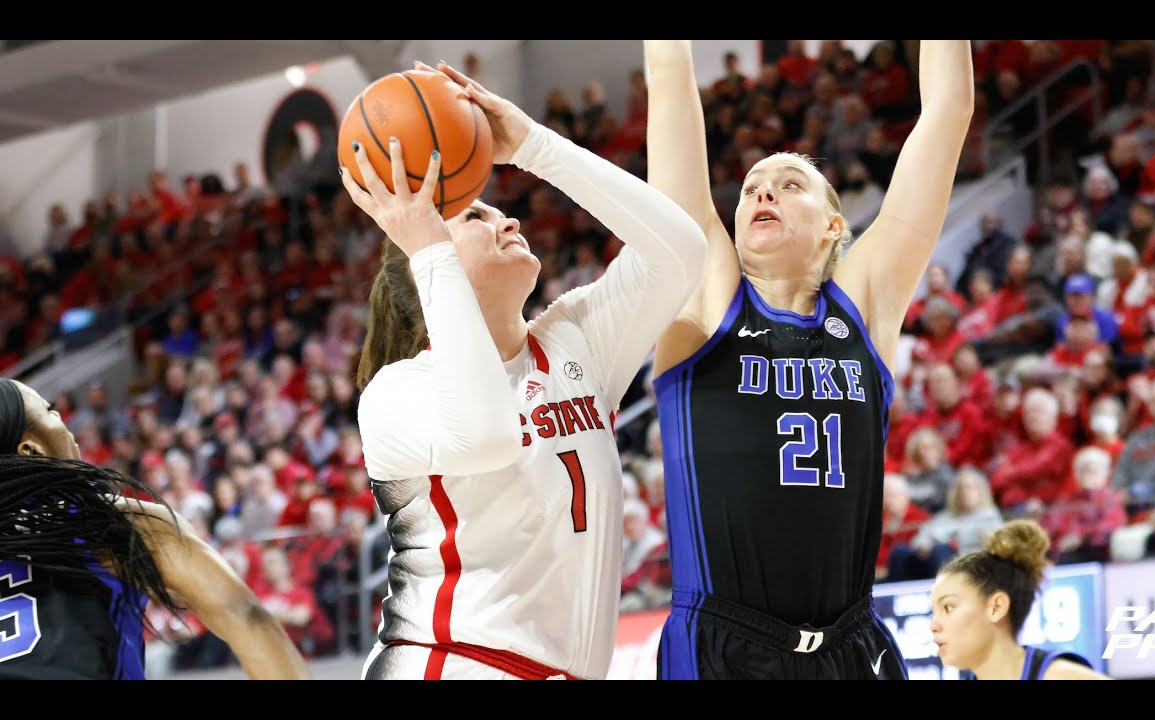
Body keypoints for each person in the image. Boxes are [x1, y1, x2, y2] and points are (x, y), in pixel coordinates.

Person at [347, 60, 705, 680]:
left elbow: (682, 249)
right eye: (476, 217)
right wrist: (429, 247)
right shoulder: (396, 394)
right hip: (449, 665)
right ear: (423, 261)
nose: (509, 219)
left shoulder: (574, 344)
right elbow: (486, 434)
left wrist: (536, 146)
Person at [644, 39, 973, 680]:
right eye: (750, 188)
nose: (763, 192)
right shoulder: (708, 297)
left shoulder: (863, 308)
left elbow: (949, 110)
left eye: (789, 185)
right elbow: (666, 71)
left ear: (831, 227)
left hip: (852, 643)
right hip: (722, 640)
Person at [0, 378, 310, 680]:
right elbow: (246, 618)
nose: (66, 422)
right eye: (51, 411)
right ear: (30, 451)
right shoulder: (109, 521)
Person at [929, 519, 1110, 680]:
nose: (933, 624)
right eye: (934, 611)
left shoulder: (1058, 675)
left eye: (948, 607)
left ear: (996, 607)